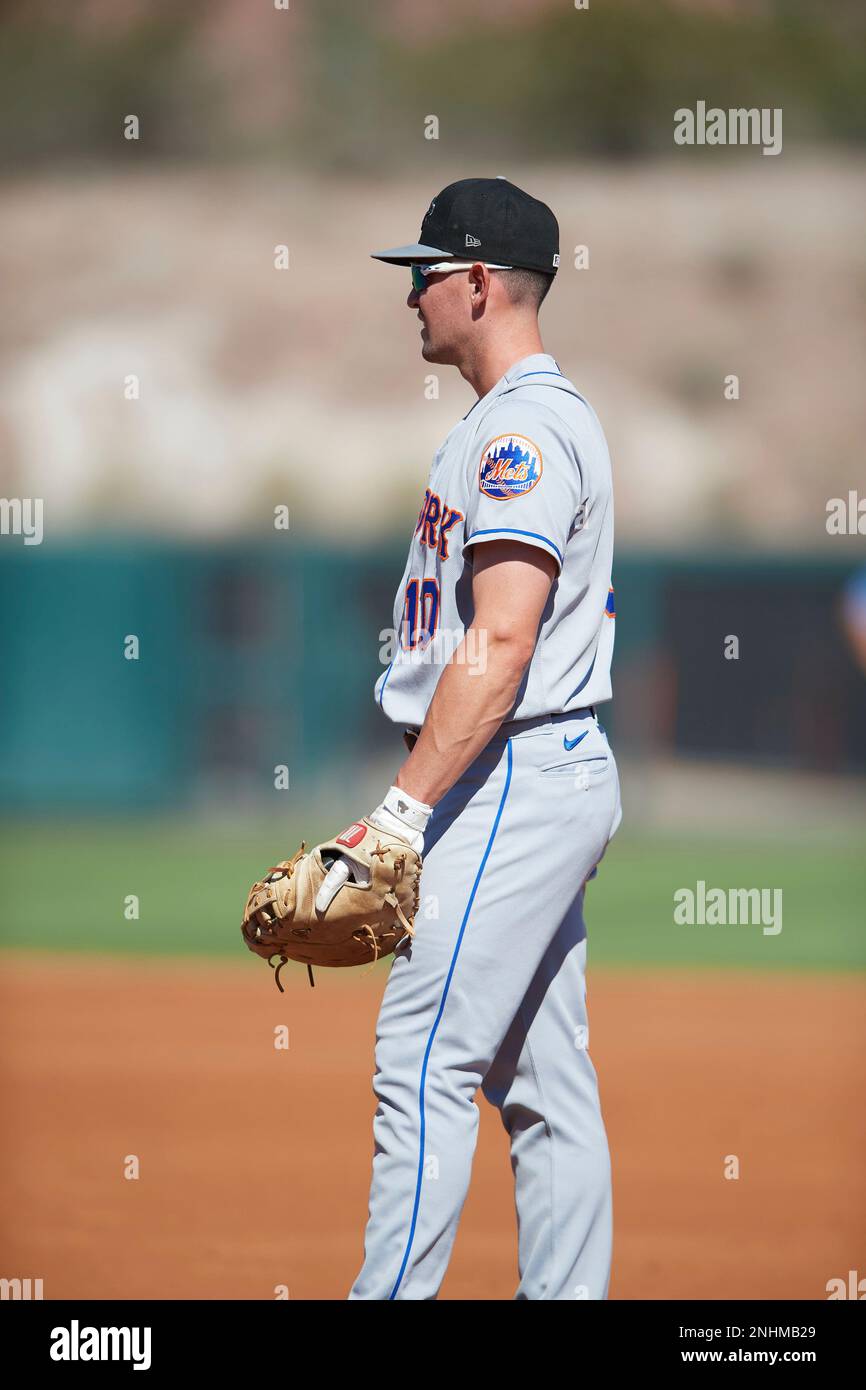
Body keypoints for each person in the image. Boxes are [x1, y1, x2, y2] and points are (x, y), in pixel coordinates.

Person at [345, 177, 622, 1300]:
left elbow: (500, 644)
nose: (408, 293)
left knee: (418, 1058)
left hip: (512, 769)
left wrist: (401, 814)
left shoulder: (521, 432)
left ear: (475, 281)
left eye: (423, 270)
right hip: (526, 770)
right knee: (541, 1079)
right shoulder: (506, 419)